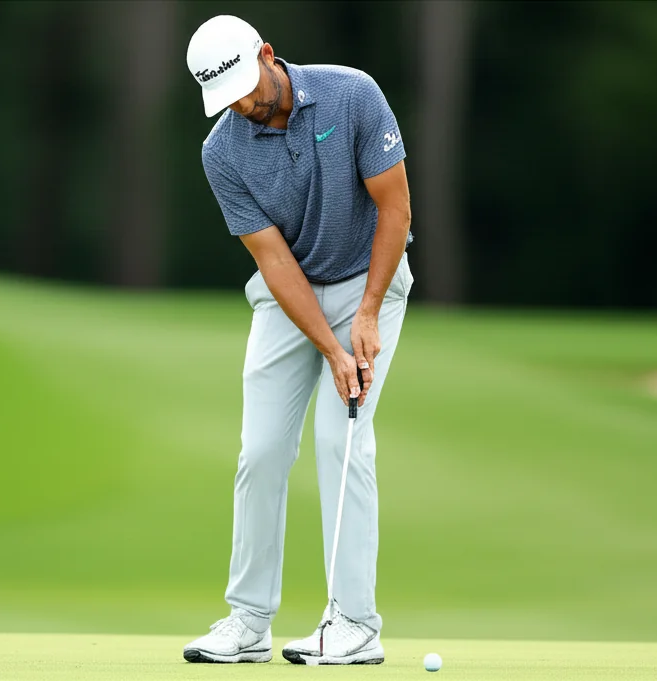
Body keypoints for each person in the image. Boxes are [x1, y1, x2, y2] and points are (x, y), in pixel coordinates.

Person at [181, 15, 413, 666]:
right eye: (227, 98)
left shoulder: (353, 96)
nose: (245, 106)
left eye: (247, 86)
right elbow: (274, 261)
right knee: (260, 451)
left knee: (343, 444)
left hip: (372, 281)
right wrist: (331, 348)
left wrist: (364, 316)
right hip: (291, 300)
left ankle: (355, 625)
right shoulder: (221, 151)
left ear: (269, 54)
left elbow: (395, 210)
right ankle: (248, 620)